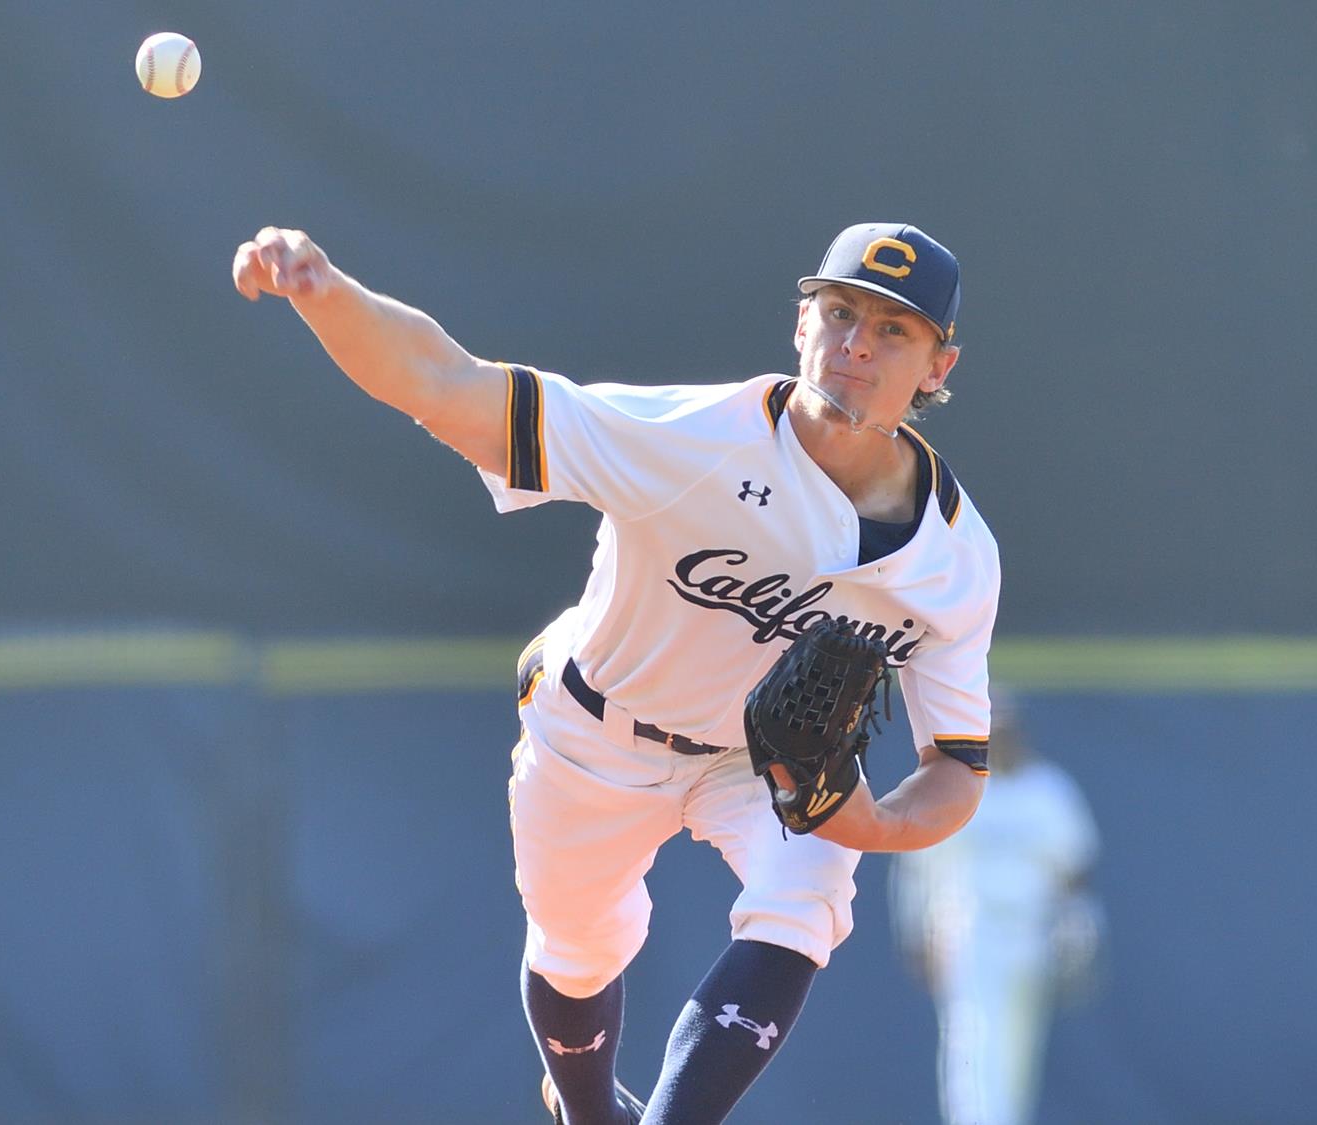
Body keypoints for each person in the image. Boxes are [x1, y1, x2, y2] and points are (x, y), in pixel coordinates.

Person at [232, 222, 1001, 1124]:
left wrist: (874, 822)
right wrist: (327, 293)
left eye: (894, 330)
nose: (857, 344)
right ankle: (588, 1110)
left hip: (761, 763)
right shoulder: (688, 437)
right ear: (802, 324)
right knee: (575, 950)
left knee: (809, 894)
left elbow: (957, 764)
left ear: (939, 366)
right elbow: (447, 385)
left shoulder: (956, 556)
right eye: (839, 312)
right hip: (596, 726)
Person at [889, 690, 1102, 1125]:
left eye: (1008, 723)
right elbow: (916, 868)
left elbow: (1076, 871)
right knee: (972, 1040)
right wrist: (915, 933)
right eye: (994, 724)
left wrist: (1081, 930)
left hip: (1032, 933)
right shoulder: (955, 788)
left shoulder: (1048, 790)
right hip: (969, 930)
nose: (1002, 732)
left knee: (1020, 1047)